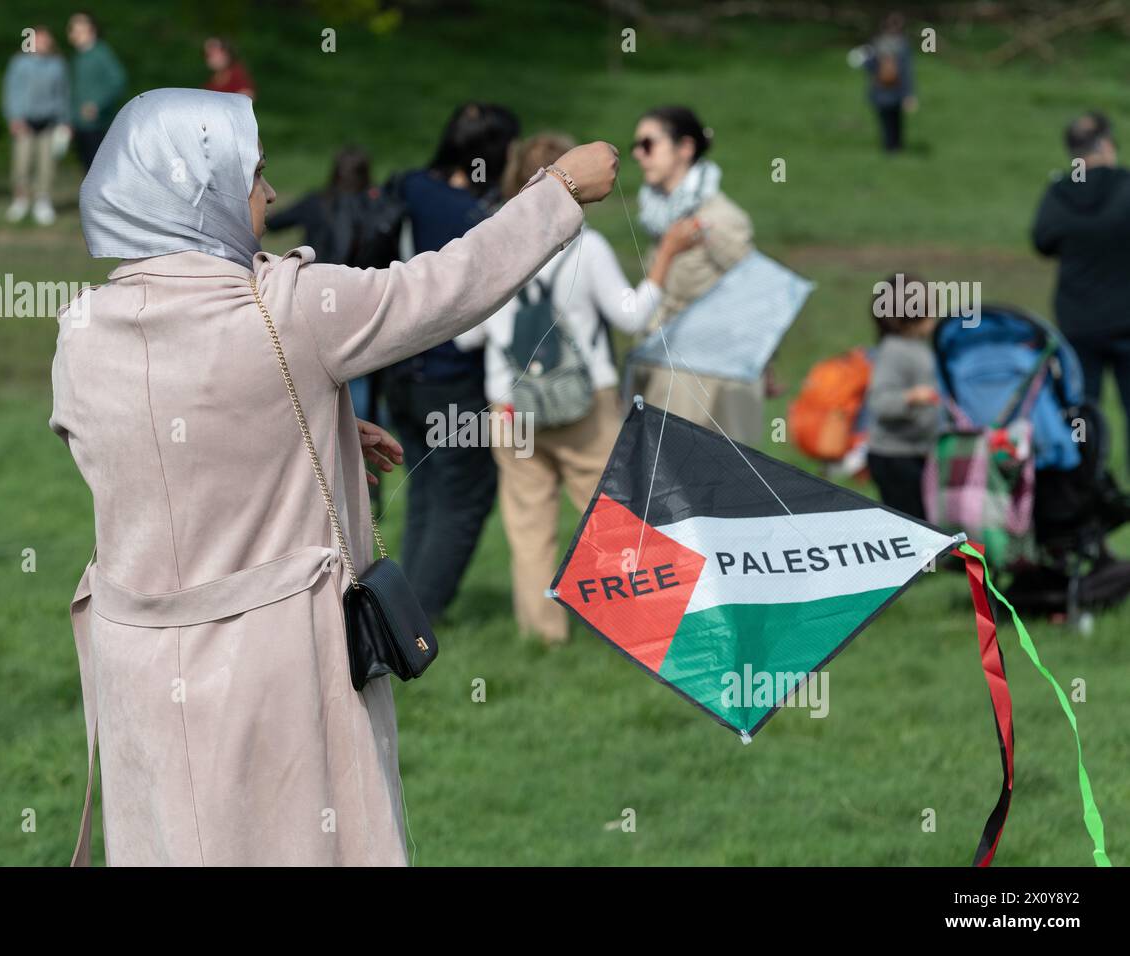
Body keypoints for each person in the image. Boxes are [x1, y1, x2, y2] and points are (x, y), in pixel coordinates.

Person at [50, 88, 617, 865]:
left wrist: (303, 423)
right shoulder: (288, 308)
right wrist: (556, 192)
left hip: (139, 668)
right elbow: (440, 289)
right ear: (199, 188)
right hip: (272, 665)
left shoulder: (82, 330)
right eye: (254, 175)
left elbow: (145, 449)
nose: (273, 193)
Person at [456, 132, 700, 643]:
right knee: (615, 519)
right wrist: (665, 257)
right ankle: (645, 628)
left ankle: (543, 634)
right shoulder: (588, 248)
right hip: (584, 405)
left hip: (509, 406)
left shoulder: (490, 242)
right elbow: (632, 315)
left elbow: (466, 335)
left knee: (527, 528)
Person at [380, 102, 522, 621]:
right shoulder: (482, 216)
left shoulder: (409, 187)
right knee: (464, 495)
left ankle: (400, 608)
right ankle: (418, 618)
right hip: (453, 379)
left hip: (401, 371)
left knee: (427, 489)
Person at [628, 104, 762, 445]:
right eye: (635, 147)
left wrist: (765, 362)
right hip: (663, 367)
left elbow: (758, 291)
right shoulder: (660, 216)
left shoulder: (718, 217)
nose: (638, 155)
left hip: (711, 381)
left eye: (647, 145)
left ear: (685, 148)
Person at [267, 145, 400, 423]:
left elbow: (273, 223)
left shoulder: (317, 203)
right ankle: (362, 432)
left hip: (315, 304)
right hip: (365, 304)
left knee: (318, 380)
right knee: (362, 376)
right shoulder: (380, 208)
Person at [1032, 111, 1130, 471]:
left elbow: (1043, 241)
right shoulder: (1126, 185)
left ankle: (1084, 479)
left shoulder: (1060, 190)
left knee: (1081, 410)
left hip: (1078, 320)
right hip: (1126, 318)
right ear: (1105, 144)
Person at [866, 273, 940, 519]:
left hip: (916, 453)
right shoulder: (894, 351)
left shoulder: (918, 347)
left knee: (923, 518)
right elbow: (880, 402)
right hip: (894, 457)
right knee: (910, 522)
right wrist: (910, 397)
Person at [2, 25, 70, 225]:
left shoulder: (58, 64)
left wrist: (65, 121)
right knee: (22, 163)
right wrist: (13, 117)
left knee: (47, 164)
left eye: (44, 39)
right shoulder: (19, 63)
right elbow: (11, 91)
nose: (41, 42)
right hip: (24, 121)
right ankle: (21, 199)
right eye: (37, 38)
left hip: (49, 122)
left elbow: (63, 93)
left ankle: (43, 200)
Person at [848, 12, 917, 153]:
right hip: (888, 91)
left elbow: (870, 67)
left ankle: (892, 149)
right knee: (891, 122)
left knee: (891, 121)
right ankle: (893, 149)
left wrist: (909, 95)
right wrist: (909, 94)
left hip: (884, 92)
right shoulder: (901, 46)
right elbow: (906, 72)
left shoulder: (876, 44)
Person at [65, 12, 125, 170]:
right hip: (80, 124)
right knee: (85, 165)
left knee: (97, 167)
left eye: (78, 28)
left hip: (98, 124)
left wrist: (97, 105)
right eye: (71, 29)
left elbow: (118, 81)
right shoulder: (77, 57)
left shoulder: (101, 53)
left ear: (91, 30)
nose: (73, 33)